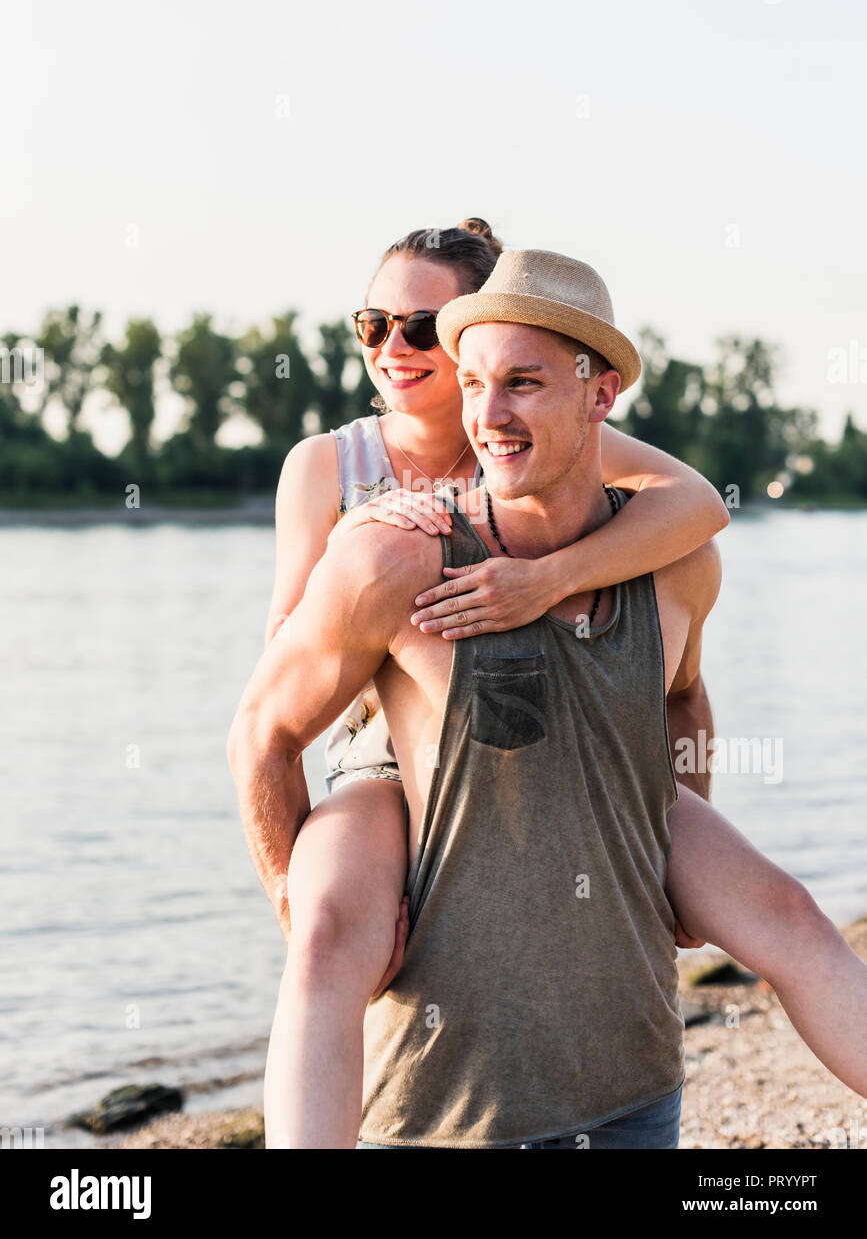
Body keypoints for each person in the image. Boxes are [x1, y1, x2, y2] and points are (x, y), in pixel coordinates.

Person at [228, 232, 867, 1149]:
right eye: (378, 327)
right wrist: (288, 890)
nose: (483, 408)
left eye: (520, 382)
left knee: (788, 916)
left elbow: (685, 676)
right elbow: (268, 707)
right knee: (327, 936)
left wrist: (670, 834)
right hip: (377, 741)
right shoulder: (367, 517)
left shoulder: (669, 553)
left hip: (605, 751)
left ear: (600, 393)